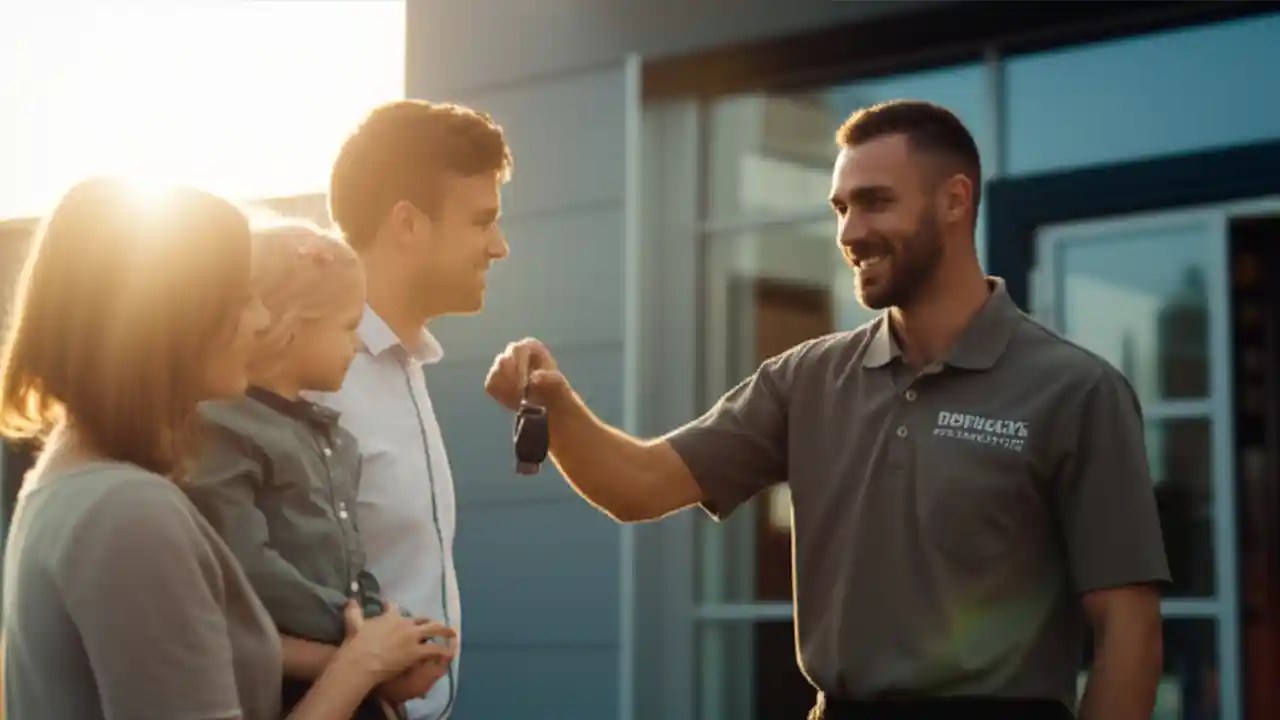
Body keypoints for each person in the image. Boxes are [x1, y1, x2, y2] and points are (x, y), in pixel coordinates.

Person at [484, 100, 1169, 720]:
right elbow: (638, 485)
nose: (850, 231)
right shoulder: (806, 379)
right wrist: (559, 407)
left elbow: (1129, 632)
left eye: (874, 203)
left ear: (955, 201)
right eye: (841, 207)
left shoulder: (1076, 392)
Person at [0, 178, 455, 720]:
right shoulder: (129, 513)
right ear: (175, 316)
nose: (263, 320)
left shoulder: (67, 482)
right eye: (243, 299)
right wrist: (359, 666)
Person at [184, 219, 457, 720]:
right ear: (290, 327)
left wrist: (388, 626)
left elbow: (353, 561)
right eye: (348, 327)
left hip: (353, 674)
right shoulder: (225, 428)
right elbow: (247, 566)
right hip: (281, 686)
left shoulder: (333, 438)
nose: (356, 345)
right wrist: (354, 630)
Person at [313, 99, 514, 720]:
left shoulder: (406, 364)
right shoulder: (313, 384)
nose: (499, 247)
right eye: (481, 222)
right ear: (406, 223)